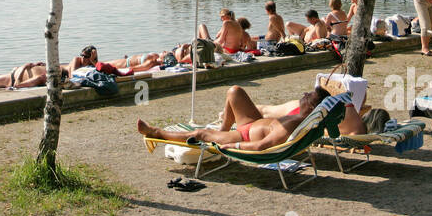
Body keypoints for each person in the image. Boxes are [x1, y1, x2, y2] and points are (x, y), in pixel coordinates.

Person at [136, 86, 328, 151]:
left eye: (308, 95)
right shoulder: (302, 116)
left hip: (243, 137)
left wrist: (234, 147)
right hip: (252, 123)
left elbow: (262, 146)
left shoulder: (295, 123)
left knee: (201, 133)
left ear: (311, 106)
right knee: (234, 92)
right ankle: (221, 131)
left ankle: (156, 132)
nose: (304, 95)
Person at [0, 62, 69, 89]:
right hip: (14, 74)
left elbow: (18, 85)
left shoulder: (40, 78)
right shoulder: (51, 71)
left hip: (12, 78)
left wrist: (24, 67)